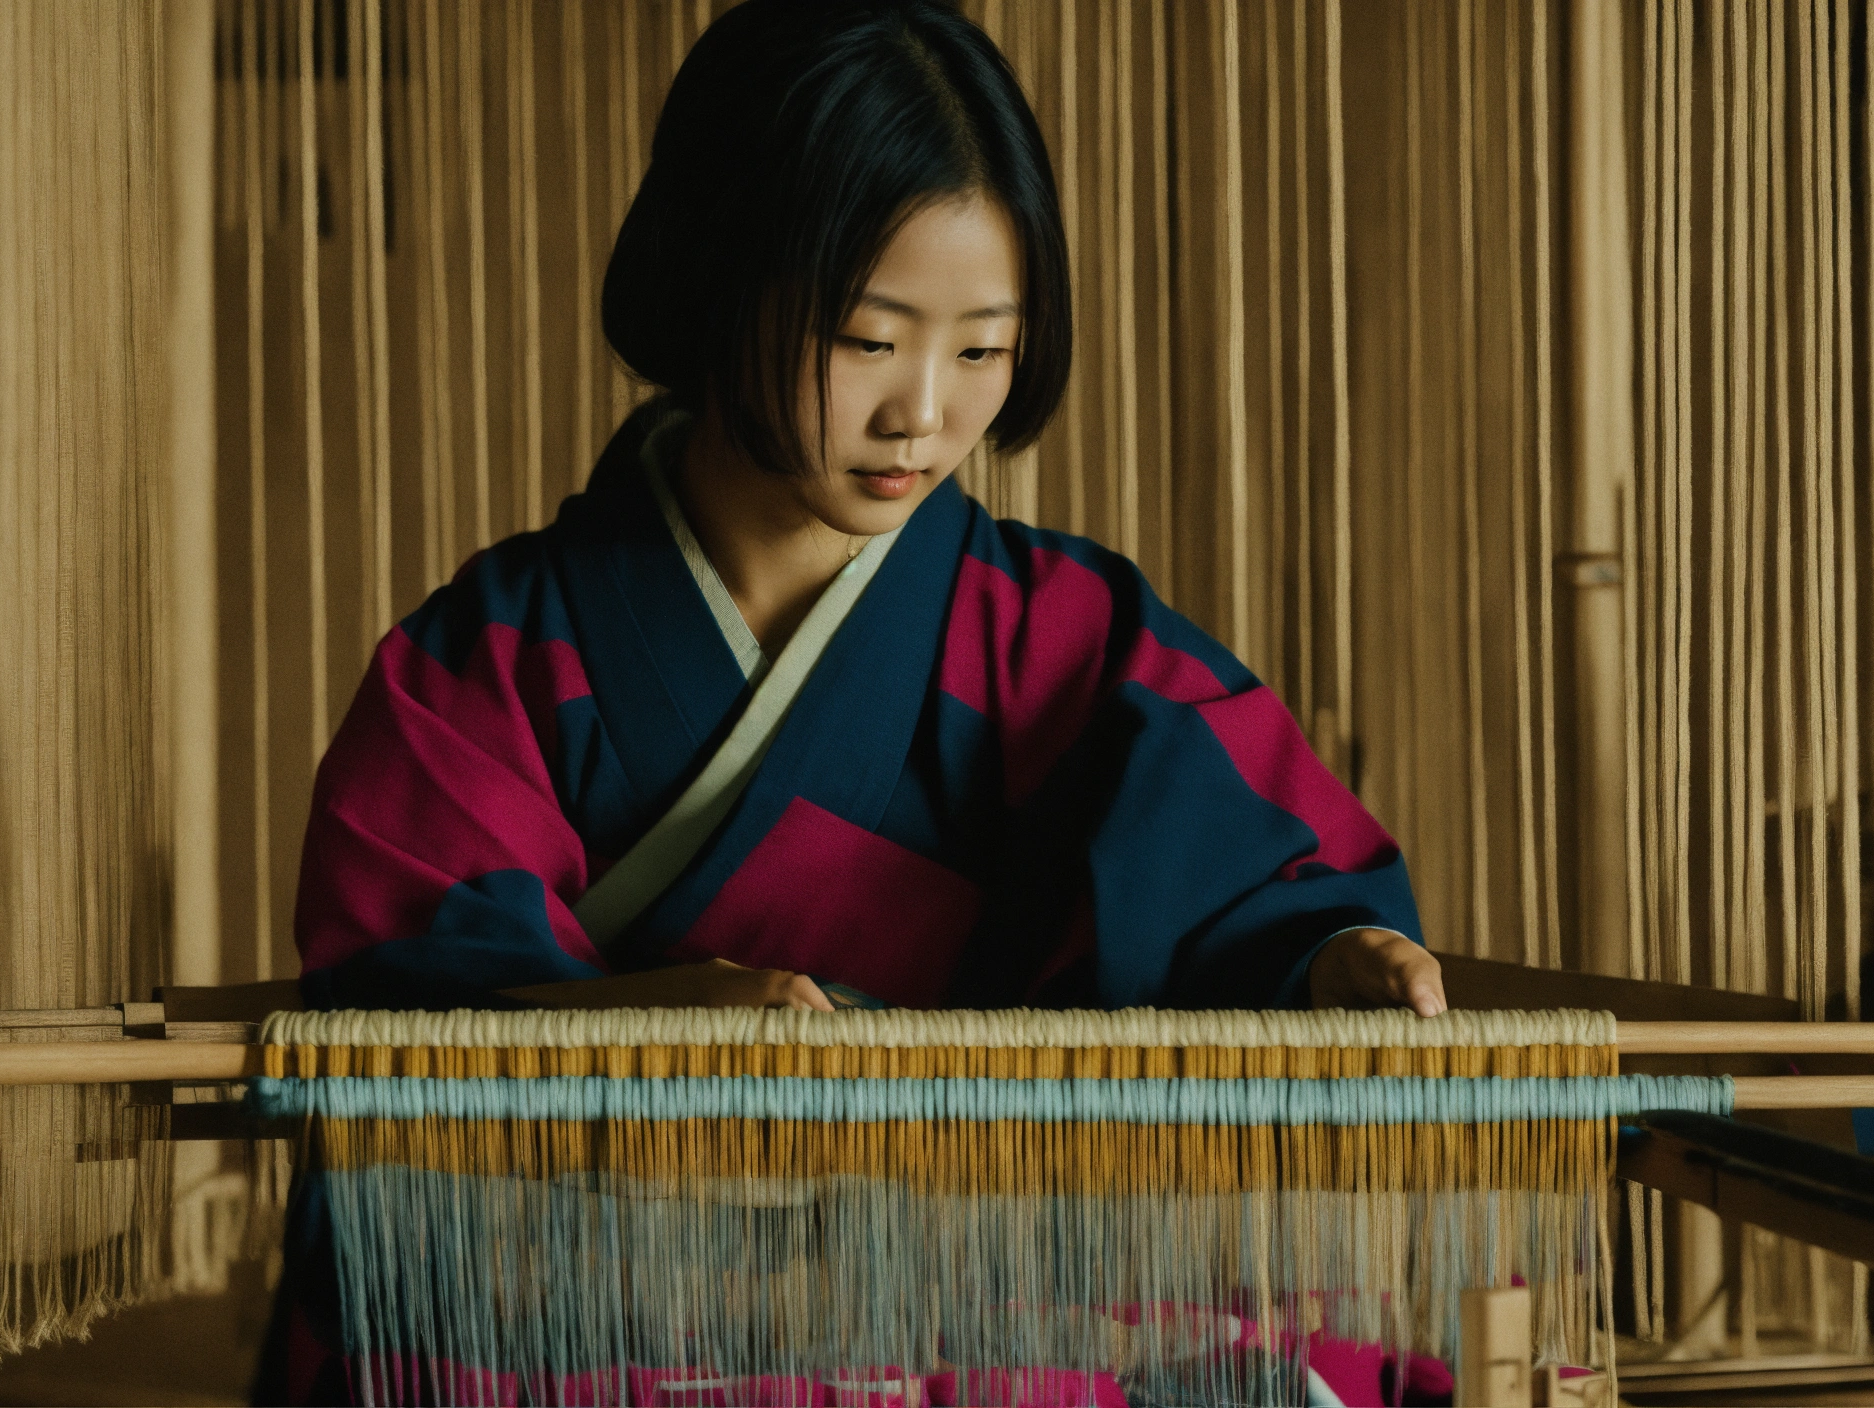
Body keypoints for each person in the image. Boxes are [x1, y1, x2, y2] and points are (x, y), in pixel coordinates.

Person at [261, 0, 1442, 1399]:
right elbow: (392, 1010)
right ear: (719, 283)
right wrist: (639, 1030)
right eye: (868, 340)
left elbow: (1251, 876)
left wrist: (1328, 957)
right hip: (618, 1284)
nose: (924, 415)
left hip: (974, 1281)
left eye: (981, 351)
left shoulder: (1061, 636)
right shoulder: (493, 660)